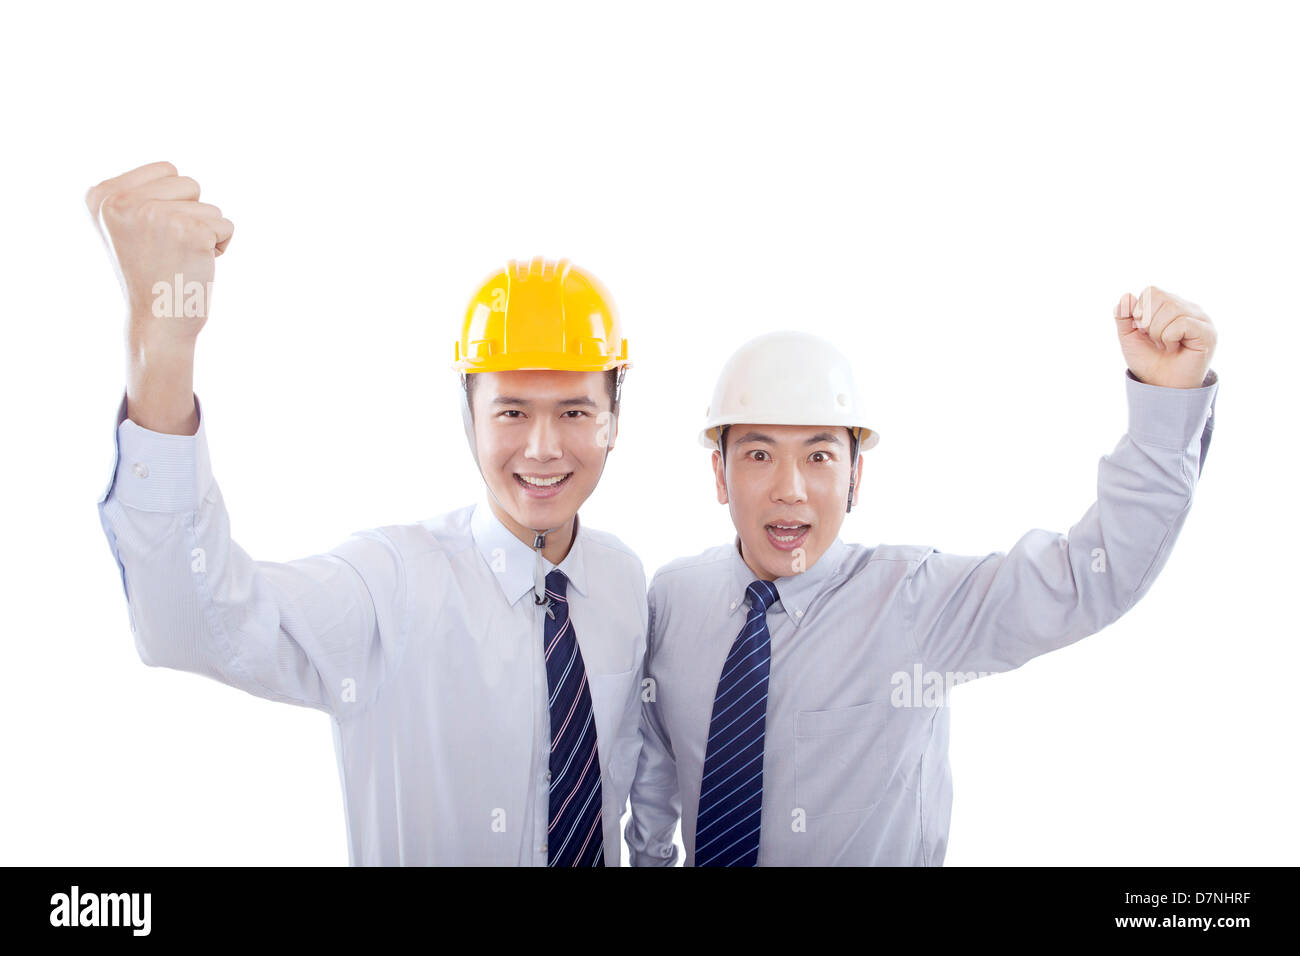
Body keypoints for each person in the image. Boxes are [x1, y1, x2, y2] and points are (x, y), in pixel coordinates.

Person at [89, 161, 646, 866]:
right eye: (511, 411)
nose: (543, 448)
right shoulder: (391, 584)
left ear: (614, 421)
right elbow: (192, 625)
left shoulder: (625, 584)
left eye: (574, 411)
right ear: (468, 417)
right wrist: (162, 345)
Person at [626, 296, 1218, 866]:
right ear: (719, 473)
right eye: (758, 455)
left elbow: (1090, 577)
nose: (791, 489)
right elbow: (657, 762)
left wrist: (1164, 409)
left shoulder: (913, 601)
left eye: (819, 456)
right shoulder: (675, 596)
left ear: (856, 476)